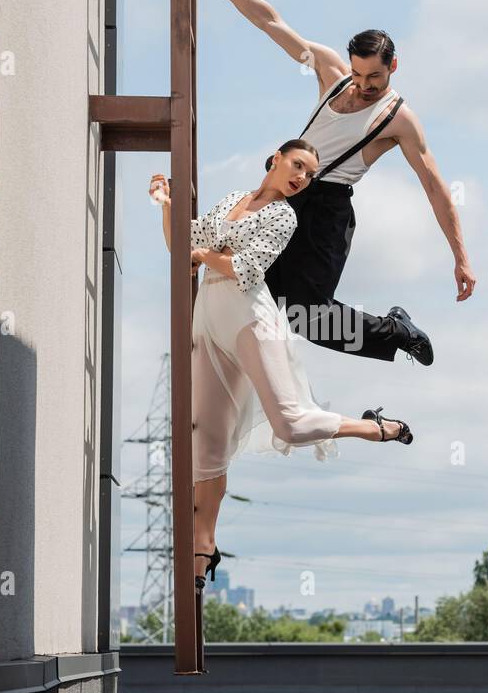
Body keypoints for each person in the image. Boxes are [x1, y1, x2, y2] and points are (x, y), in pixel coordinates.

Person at [150, 141, 414, 593]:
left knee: (290, 425)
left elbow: (248, 270)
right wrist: (167, 205)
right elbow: (184, 243)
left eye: (308, 175)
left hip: (251, 320)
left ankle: (374, 428)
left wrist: (201, 256)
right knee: (206, 443)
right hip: (209, 318)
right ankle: (203, 545)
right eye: (297, 166)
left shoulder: (284, 216)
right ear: (275, 159)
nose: (300, 178)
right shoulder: (235, 198)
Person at [191, 0, 477, 364]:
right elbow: (268, 20)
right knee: (249, 279)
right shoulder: (329, 70)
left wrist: (461, 258)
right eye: (358, 76)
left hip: (327, 210)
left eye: (374, 78)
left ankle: (396, 331)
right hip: (286, 190)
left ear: (392, 66)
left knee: (306, 315)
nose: (363, 86)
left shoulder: (399, 120)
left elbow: (434, 187)